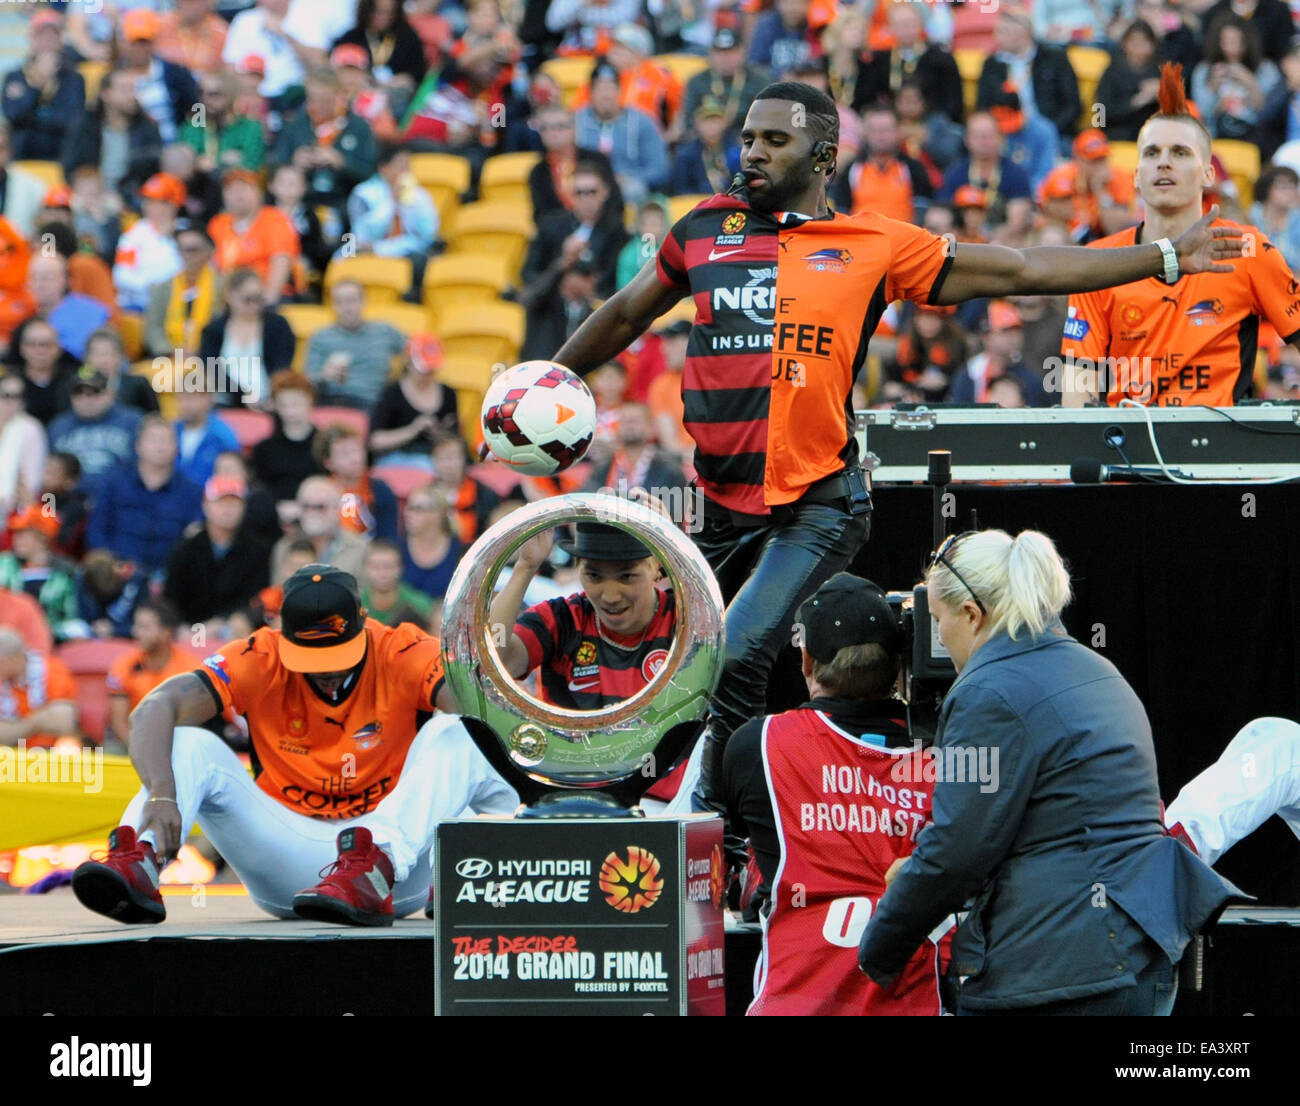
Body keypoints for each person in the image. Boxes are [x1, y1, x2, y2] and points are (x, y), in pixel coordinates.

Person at [541, 78, 1248, 843]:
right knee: (672, 657)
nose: (751, 152)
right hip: (715, 499)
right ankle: (664, 808)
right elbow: (622, 313)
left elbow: (1021, 270)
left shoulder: (874, 244)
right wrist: (542, 383)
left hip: (817, 500)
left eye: (772, 140)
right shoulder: (701, 229)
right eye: (747, 138)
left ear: (823, 155)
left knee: (737, 652)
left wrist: (1165, 256)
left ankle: (724, 840)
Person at [858, 529, 1242, 1015]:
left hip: (1062, 972)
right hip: (1141, 959)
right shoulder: (1100, 671)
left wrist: (878, 950)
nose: (939, 639)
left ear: (973, 615)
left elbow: (957, 851)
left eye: (938, 621)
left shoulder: (986, 692)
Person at [71, 563, 517, 925]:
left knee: (459, 729)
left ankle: (469, 871)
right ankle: (138, 859)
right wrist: (164, 793)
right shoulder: (257, 655)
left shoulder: (401, 649)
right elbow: (153, 708)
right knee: (187, 741)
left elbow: (487, 713)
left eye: (336, 656)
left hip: (391, 866)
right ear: (281, 633)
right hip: (288, 852)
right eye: (311, 659)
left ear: (364, 624)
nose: (325, 672)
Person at [722, 573, 944, 1015]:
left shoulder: (757, 746)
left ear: (806, 661)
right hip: (913, 1003)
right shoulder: (950, 752)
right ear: (900, 664)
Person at [1061, 66, 1300, 407]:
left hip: (1220, 450)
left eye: (1180, 152)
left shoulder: (1246, 249)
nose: (1164, 163)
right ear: (1136, 176)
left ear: (1208, 174)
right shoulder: (1098, 262)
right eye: (1152, 153)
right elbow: (1076, 394)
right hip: (1128, 450)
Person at [489, 521, 676, 709]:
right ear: (577, 569)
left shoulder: (684, 618)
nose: (611, 597)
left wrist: (677, 558)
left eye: (626, 577)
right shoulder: (562, 619)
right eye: (594, 576)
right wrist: (525, 568)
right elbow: (496, 660)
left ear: (656, 566)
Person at [86, 415, 204, 578]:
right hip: (115, 573)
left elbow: (193, 541)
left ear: (177, 448)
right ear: (138, 446)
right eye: (153, 439)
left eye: (166, 440)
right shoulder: (113, 484)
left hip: (169, 576)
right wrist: (111, 565)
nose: (160, 446)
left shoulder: (193, 492)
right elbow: (97, 531)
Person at [163, 475, 273, 632]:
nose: (228, 509)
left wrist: (224, 622)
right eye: (221, 502)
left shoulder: (257, 551)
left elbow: (258, 599)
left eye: (235, 503)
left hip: (234, 632)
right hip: (190, 631)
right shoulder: (185, 550)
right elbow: (171, 599)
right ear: (205, 505)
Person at [106, 599, 198, 746]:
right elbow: (119, 723)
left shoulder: (190, 669)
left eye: (145, 628)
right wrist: (143, 753)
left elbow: (192, 721)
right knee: (110, 750)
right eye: (136, 626)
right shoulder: (123, 666)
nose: (136, 632)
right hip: (131, 741)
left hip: (176, 743)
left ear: (166, 633)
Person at [199, 268, 296, 406]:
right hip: (226, 400)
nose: (254, 305)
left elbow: (281, 367)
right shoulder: (213, 329)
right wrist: (244, 396)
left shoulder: (278, 326)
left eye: (259, 299)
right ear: (229, 296)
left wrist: (269, 398)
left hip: (268, 400)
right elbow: (212, 370)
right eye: (248, 299)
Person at [303, 280, 405, 411]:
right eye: (339, 302)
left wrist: (401, 380)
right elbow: (307, 382)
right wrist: (324, 375)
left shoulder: (385, 331)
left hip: (374, 403)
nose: (346, 307)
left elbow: (413, 354)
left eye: (351, 300)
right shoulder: (321, 336)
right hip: (333, 401)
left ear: (364, 301)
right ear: (332, 306)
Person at [46, 367, 143, 497]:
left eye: (94, 392)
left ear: (109, 393)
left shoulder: (133, 422)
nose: (86, 399)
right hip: (71, 501)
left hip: (121, 499)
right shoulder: (58, 427)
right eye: (78, 392)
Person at [368, 335, 460, 468]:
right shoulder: (392, 393)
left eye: (432, 369)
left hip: (437, 459)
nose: (429, 374)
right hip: (397, 459)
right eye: (424, 369)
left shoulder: (448, 394)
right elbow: (375, 440)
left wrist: (439, 433)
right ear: (409, 363)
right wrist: (412, 430)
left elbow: (455, 438)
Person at [0, 503, 85, 643]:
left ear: (42, 539)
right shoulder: (4, 564)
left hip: (49, 644)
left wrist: (46, 631)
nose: (16, 539)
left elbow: (72, 620)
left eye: (22, 534)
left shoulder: (65, 574)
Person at [145, 226, 222, 358]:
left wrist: (205, 349)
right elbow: (153, 328)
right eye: (183, 249)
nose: (188, 255)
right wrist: (170, 350)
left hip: (212, 356)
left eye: (193, 250)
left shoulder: (222, 286)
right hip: (171, 357)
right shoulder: (164, 288)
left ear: (207, 251)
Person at [271, 475, 367, 581]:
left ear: (336, 509)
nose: (312, 513)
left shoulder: (359, 547)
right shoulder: (285, 546)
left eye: (320, 507)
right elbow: (278, 591)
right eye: (306, 507)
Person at [316, 422, 399, 542]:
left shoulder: (381, 490)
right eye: (345, 454)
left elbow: (388, 539)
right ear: (328, 463)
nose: (356, 458)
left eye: (357, 450)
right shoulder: (320, 494)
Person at [251, 370, 325, 503]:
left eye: (297, 403)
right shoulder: (264, 449)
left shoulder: (325, 445)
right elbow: (260, 489)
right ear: (275, 406)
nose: (291, 411)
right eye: (284, 405)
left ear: (310, 401)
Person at [0, 627, 78, 748]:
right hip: (13, 753)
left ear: (14, 659)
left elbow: (63, 720)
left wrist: (16, 728)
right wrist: (37, 723)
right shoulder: (4, 680)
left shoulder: (52, 670)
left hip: (54, 752)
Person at [399, 484, 463, 602]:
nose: (408, 513)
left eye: (417, 509)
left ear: (438, 514)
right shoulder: (398, 549)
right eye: (408, 508)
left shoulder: (460, 551)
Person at [360, 537, 434, 628]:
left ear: (400, 568)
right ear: (365, 568)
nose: (383, 573)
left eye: (389, 567)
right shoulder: (354, 605)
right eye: (376, 567)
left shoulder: (419, 605)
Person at [0, 368, 45, 518]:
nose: (11, 401)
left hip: (15, 510)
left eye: (17, 396)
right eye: (6, 395)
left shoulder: (31, 429)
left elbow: (33, 481)